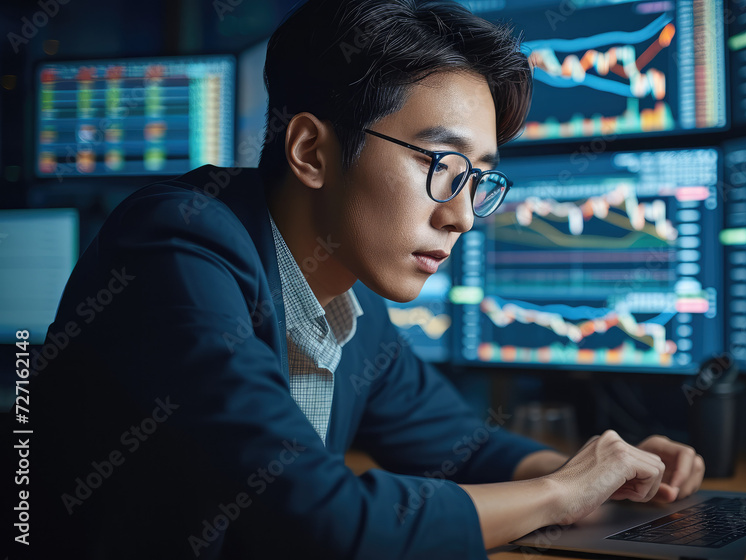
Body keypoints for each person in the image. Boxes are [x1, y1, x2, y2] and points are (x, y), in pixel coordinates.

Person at [30, 0, 704, 558]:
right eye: (442, 164)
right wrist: (561, 494)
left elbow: (463, 448)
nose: (462, 216)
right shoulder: (175, 250)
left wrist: (605, 475)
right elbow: (324, 521)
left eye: (478, 180)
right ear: (311, 151)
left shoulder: (346, 302)